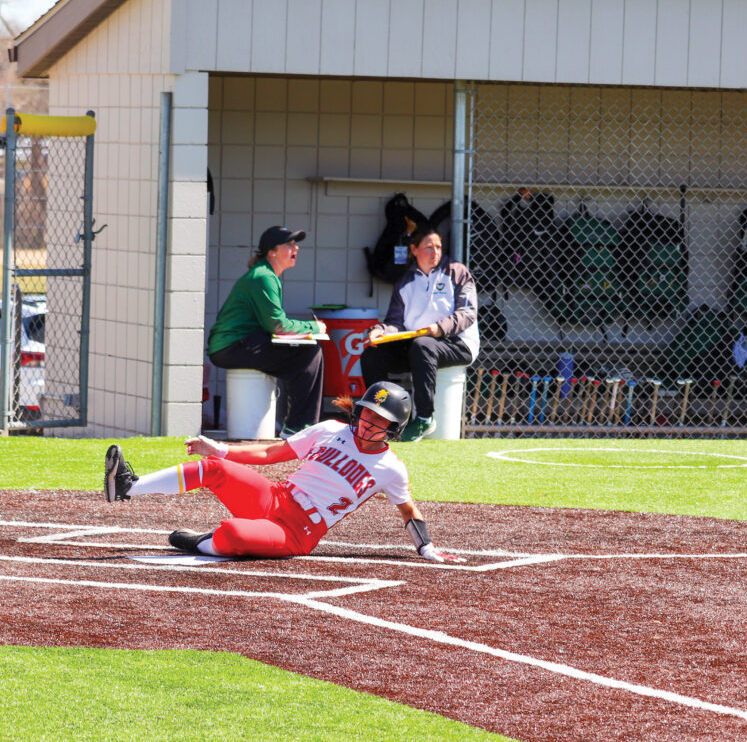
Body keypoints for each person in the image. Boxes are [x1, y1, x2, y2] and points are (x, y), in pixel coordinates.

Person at [103, 381, 462, 563]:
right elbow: (271, 452)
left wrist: (427, 548)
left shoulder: (391, 469)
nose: (368, 422)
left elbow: (408, 511)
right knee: (214, 467)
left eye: (380, 420)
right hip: (276, 496)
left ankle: (200, 541)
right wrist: (223, 450)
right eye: (368, 413)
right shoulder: (331, 429)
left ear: (395, 428)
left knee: (232, 533)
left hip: (297, 531)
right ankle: (128, 487)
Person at [359, 224, 480, 442]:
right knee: (372, 355)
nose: (435, 252)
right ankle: (382, 416)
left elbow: (468, 312)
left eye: (438, 247)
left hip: (457, 343)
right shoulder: (405, 282)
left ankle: (424, 417)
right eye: (429, 247)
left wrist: (440, 327)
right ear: (414, 250)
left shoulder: (457, 272)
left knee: (423, 345)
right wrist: (379, 330)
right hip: (418, 345)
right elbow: (395, 322)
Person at [207, 226, 327, 436]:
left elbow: (273, 326)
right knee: (309, 353)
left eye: (295, 244)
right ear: (271, 252)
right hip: (231, 347)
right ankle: (298, 429)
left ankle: (297, 427)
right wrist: (314, 327)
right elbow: (278, 326)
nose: (295, 248)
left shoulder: (266, 274)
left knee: (305, 353)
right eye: (289, 244)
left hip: (235, 345)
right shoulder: (263, 276)